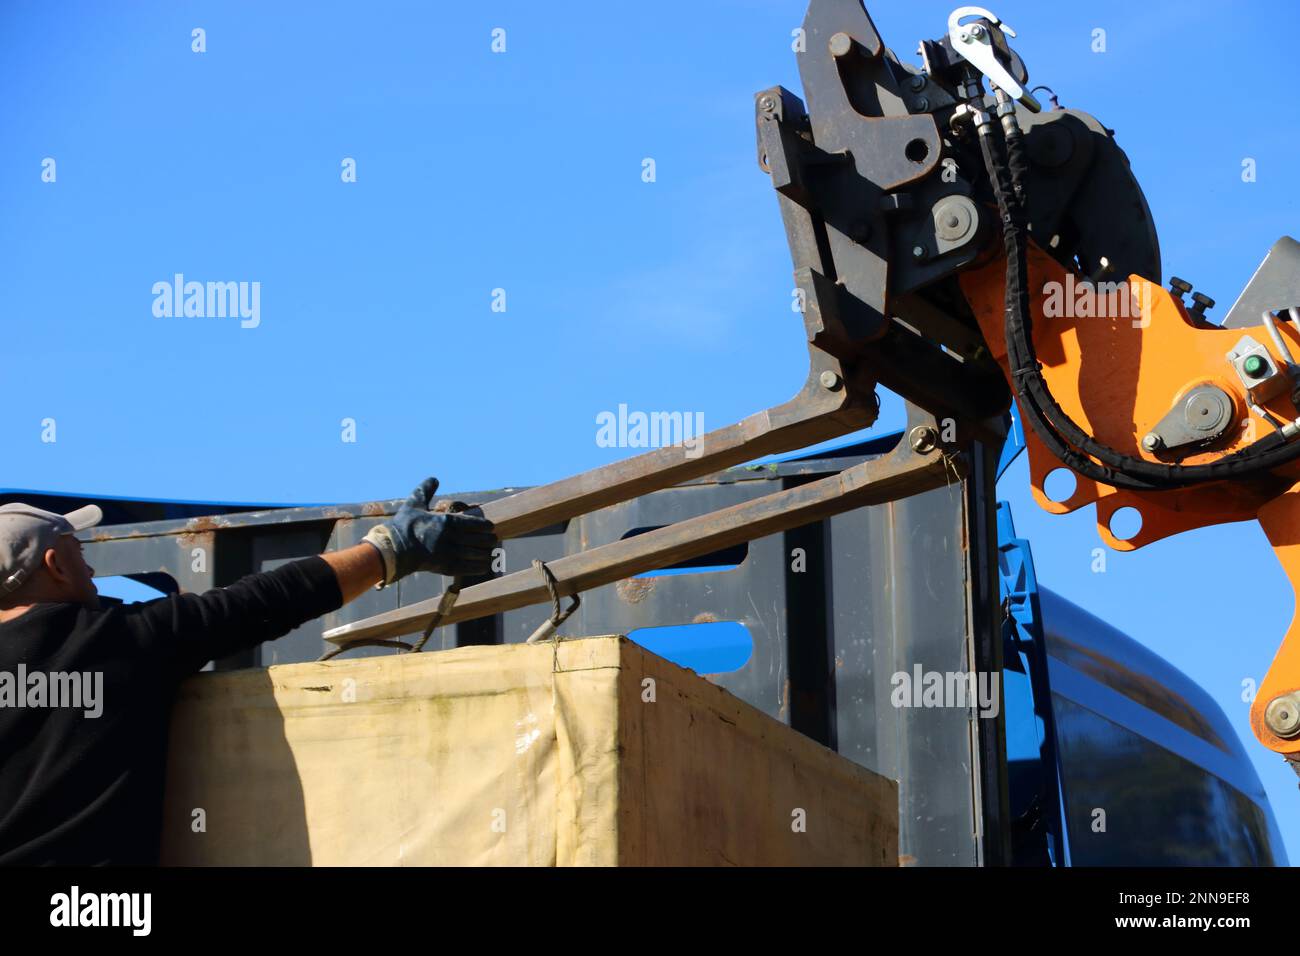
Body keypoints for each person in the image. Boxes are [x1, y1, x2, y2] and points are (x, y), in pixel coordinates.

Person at [0, 477, 496, 865]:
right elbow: (267, 600)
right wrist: (392, 549)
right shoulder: (120, 642)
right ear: (55, 566)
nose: (90, 569)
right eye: (78, 554)